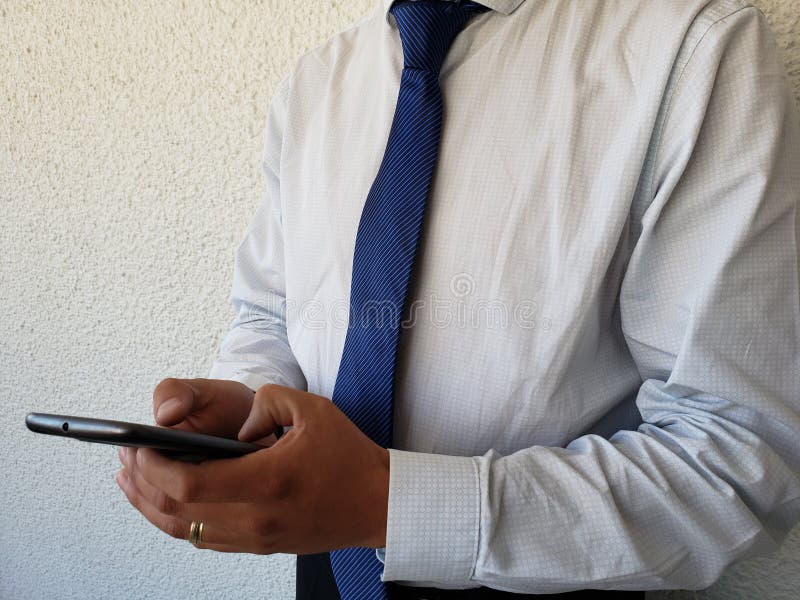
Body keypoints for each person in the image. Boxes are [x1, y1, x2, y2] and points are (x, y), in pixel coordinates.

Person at [115, 0, 800, 598]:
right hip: (320, 566)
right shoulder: (317, 82)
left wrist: (386, 502)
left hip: (549, 581)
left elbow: (741, 454)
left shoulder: (692, 53)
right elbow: (272, 310)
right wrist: (245, 404)